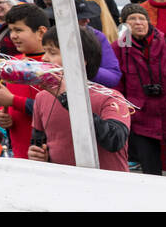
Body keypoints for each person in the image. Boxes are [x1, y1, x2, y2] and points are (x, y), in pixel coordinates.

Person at [29, 28, 131, 171]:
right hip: (62, 183)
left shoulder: (110, 97)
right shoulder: (42, 97)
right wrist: (38, 154)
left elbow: (115, 140)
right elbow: (38, 141)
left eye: (52, 53)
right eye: (44, 51)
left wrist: (66, 98)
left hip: (106, 185)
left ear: (80, 60)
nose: (44, 58)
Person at [113, 3, 166, 176]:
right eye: (132, 19)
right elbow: (116, 85)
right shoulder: (119, 49)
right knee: (150, 172)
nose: (138, 22)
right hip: (140, 118)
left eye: (142, 18)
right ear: (124, 24)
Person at [0, 4, 49, 158]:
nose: (12, 36)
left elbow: (52, 110)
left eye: (19, 30)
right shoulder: (12, 64)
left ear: (41, 32)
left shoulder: (54, 66)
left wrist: (13, 101)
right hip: (19, 151)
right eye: (11, 30)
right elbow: (7, 105)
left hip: (46, 154)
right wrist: (3, 115)